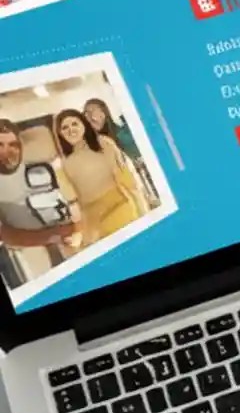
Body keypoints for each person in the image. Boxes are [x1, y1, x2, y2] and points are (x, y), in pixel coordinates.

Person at [0, 119, 83, 284]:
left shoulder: (37, 170)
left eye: (13, 144)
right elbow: (6, 235)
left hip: (71, 248)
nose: (7, 151)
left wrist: (74, 228)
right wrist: (54, 235)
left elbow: (69, 203)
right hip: (31, 262)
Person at [56, 109, 144, 241]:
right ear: (60, 133)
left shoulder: (102, 143)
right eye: (65, 127)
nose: (71, 130)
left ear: (84, 124)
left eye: (75, 124)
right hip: (93, 222)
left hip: (120, 209)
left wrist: (142, 208)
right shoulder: (63, 163)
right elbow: (72, 200)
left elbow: (127, 179)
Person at [84, 97, 159, 208]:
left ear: (103, 113)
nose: (88, 117)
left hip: (142, 186)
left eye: (92, 111)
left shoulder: (122, 135)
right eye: (85, 113)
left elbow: (139, 161)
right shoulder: (94, 143)